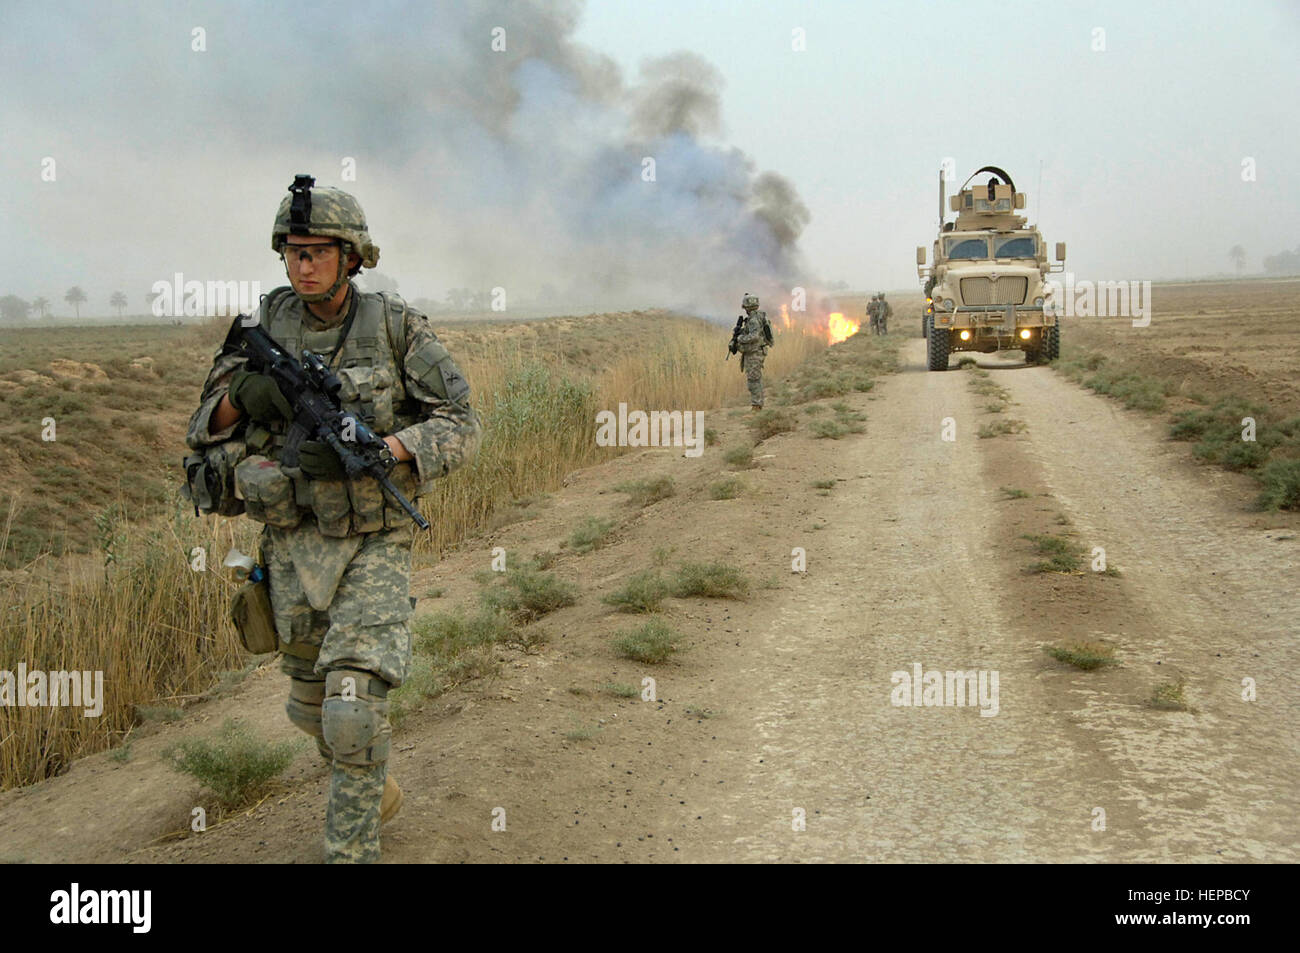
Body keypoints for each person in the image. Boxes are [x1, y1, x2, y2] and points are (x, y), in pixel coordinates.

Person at [185, 175, 482, 863]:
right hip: (290, 544)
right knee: (312, 709)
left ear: (352, 256)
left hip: (374, 539)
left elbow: (463, 423)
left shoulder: (396, 326)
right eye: (292, 251)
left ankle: (350, 850)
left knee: (352, 709)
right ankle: (372, 786)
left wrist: (389, 447)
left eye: (319, 250)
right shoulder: (263, 326)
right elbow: (205, 426)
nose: (303, 263)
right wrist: (247, 395)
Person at [734, 293, 773, 411]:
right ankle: (758, 404)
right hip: (756, 351)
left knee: (753, 380)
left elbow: (754, 336)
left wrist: (740, 339)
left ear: (746, 307)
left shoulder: (753, 320)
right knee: (756, 378)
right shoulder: (758, 316)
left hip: (754, 353)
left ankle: (756, 406)